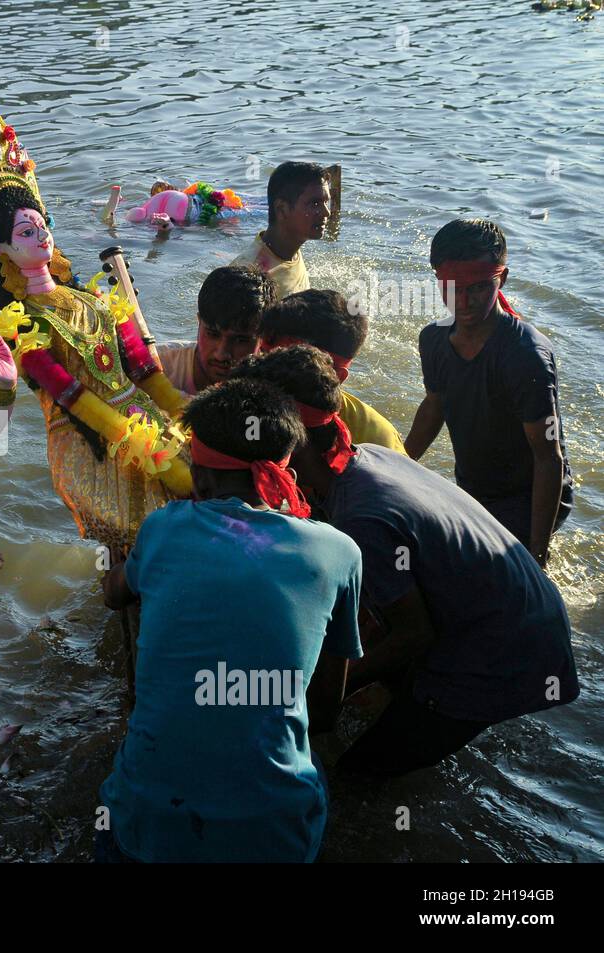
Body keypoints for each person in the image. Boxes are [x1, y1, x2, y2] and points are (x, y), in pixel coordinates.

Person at [232, 345, 580, 776]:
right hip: (516, 613)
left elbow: (413, 633)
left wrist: (324, 692)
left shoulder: (362, 518)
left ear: (288, 441)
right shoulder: (367, 457)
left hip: (507, 649)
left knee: (355, 777)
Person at [0, 45, 193, 557]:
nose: (41, 235)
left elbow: (142, 367)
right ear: (0, 247)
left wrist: (186, 410)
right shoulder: (12, 324)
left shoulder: (91, 295)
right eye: (26, 230)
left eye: (42, 225)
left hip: (143, 420)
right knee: (135, 542)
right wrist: (1, 383)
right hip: (88, 444)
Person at [98, 378, 362, 862]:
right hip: (273, 836)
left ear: (198, 478)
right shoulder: (339, 552)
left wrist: (120, 559)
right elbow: (325, 711)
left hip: (147, 829)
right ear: (287, 468)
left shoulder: (161, 530)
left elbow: (115, 594)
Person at [404, 218, 572, 565]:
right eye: (452, 288)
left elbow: (547, 458)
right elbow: (434, 406)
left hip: (526, 497)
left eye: (478, 288)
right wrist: (398, 465)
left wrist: (536, 551)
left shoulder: (525, 355)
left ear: (502, 279)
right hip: (474, 487)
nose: (464, 301)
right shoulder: (434, 340)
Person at [258, 288, 406, 452]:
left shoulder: (377, 441)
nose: (264, 369)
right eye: (263, 354)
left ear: (337, 376)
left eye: (285, 363)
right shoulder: (239, 409)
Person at [156, 265, 277, 397]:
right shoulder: (156, 366)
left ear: (263, 338)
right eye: (213, 334)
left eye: (240, 340)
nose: (222, 355)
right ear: (198, 322)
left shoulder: (274, 386)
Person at [229, 161, 330, 299]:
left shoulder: (290, 247)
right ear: (282, 209)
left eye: (326, 202)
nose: (326, 212)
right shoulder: (249, 278)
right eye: (315, 203)